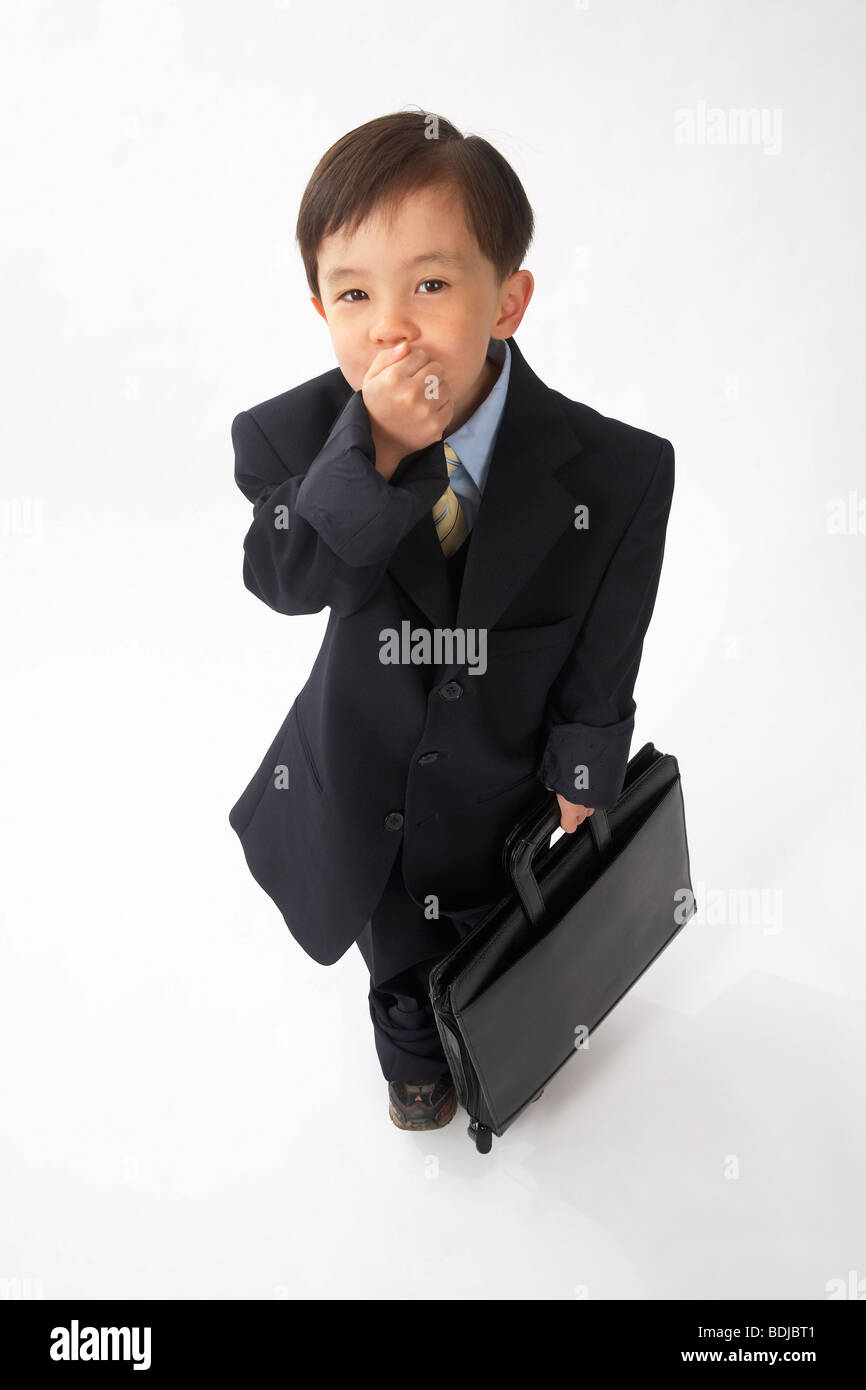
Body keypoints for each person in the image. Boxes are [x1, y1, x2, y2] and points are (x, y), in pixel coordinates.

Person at [227, 109, 675, 1131]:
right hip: (364, 763)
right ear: (319, 309)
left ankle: (503, 1023)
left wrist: (584, 758)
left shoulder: (616, 470)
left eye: (429, 283)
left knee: (485, 914)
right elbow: (283, 575)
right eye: (353, 294)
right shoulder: (290, 441)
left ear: (507, 299)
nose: (390, 324)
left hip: (501, 768)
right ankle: (412, 1061)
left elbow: (607, 628)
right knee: (394, 939)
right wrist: (371, 452)